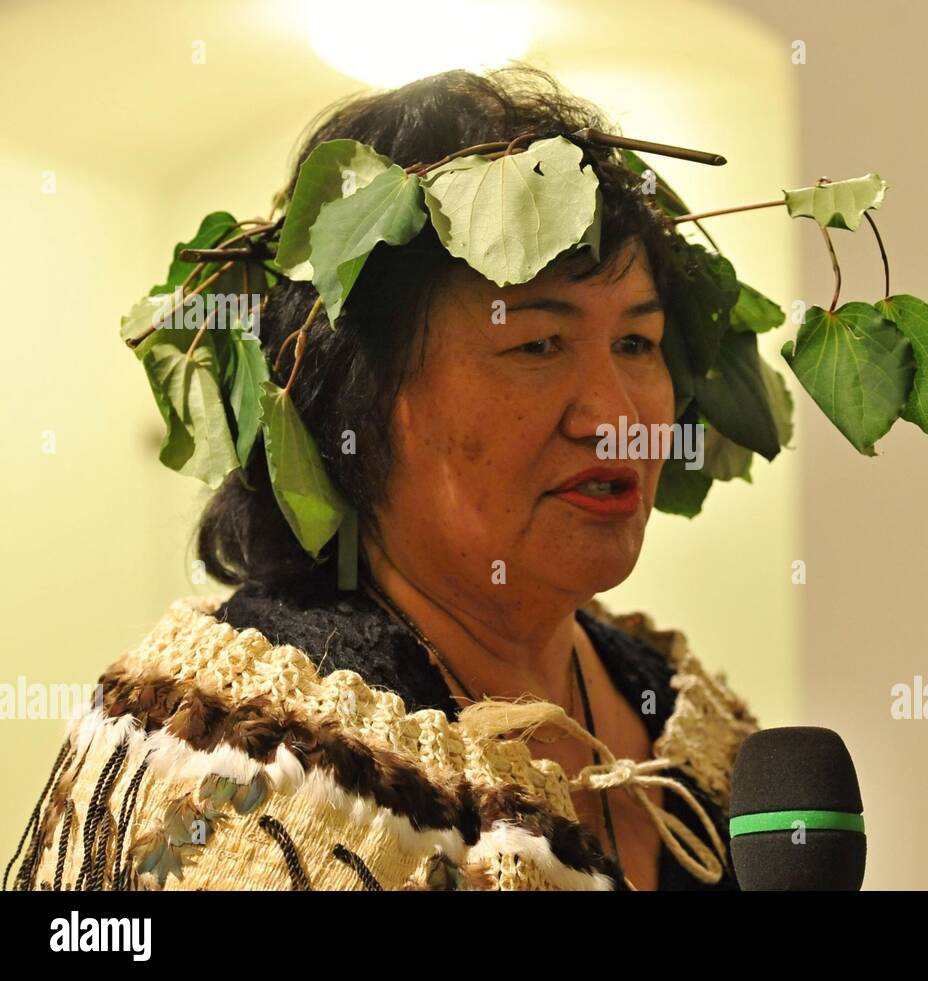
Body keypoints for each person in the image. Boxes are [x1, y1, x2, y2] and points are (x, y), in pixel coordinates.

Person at [4, 65, 760, 892]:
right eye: (538, 345)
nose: (615, 413)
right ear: (355, 402)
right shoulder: (239, 776)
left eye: (637, 344)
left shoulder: (685, 718)